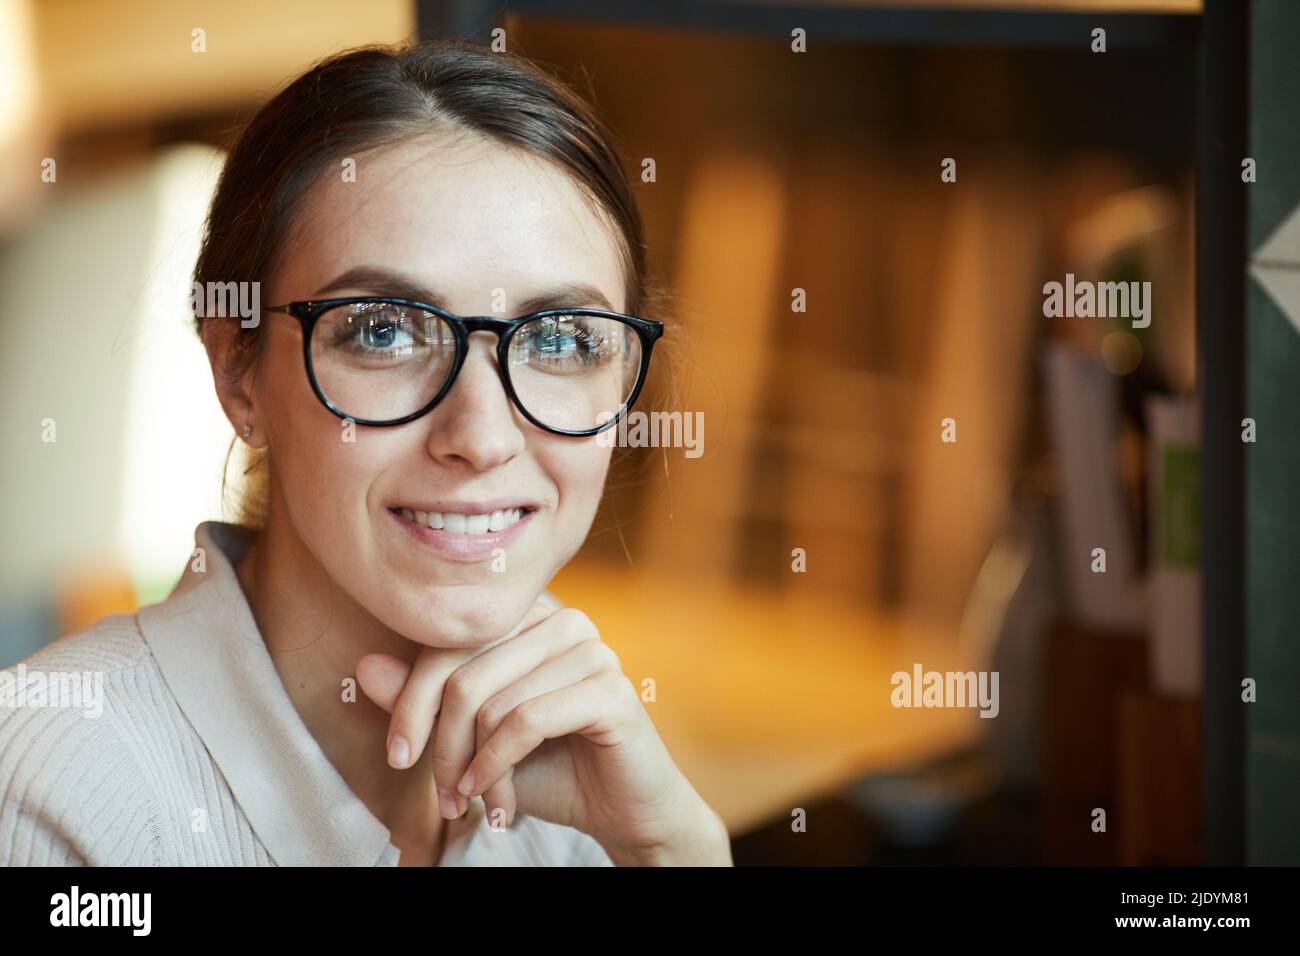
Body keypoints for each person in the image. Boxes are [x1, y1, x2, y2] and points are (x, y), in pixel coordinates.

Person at [0, 39, 731, 867]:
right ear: (240, 373)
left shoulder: (582, 783)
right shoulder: (55, 790)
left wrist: (678, 848)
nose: (483, 437)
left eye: (559, 339)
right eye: (383, 332)